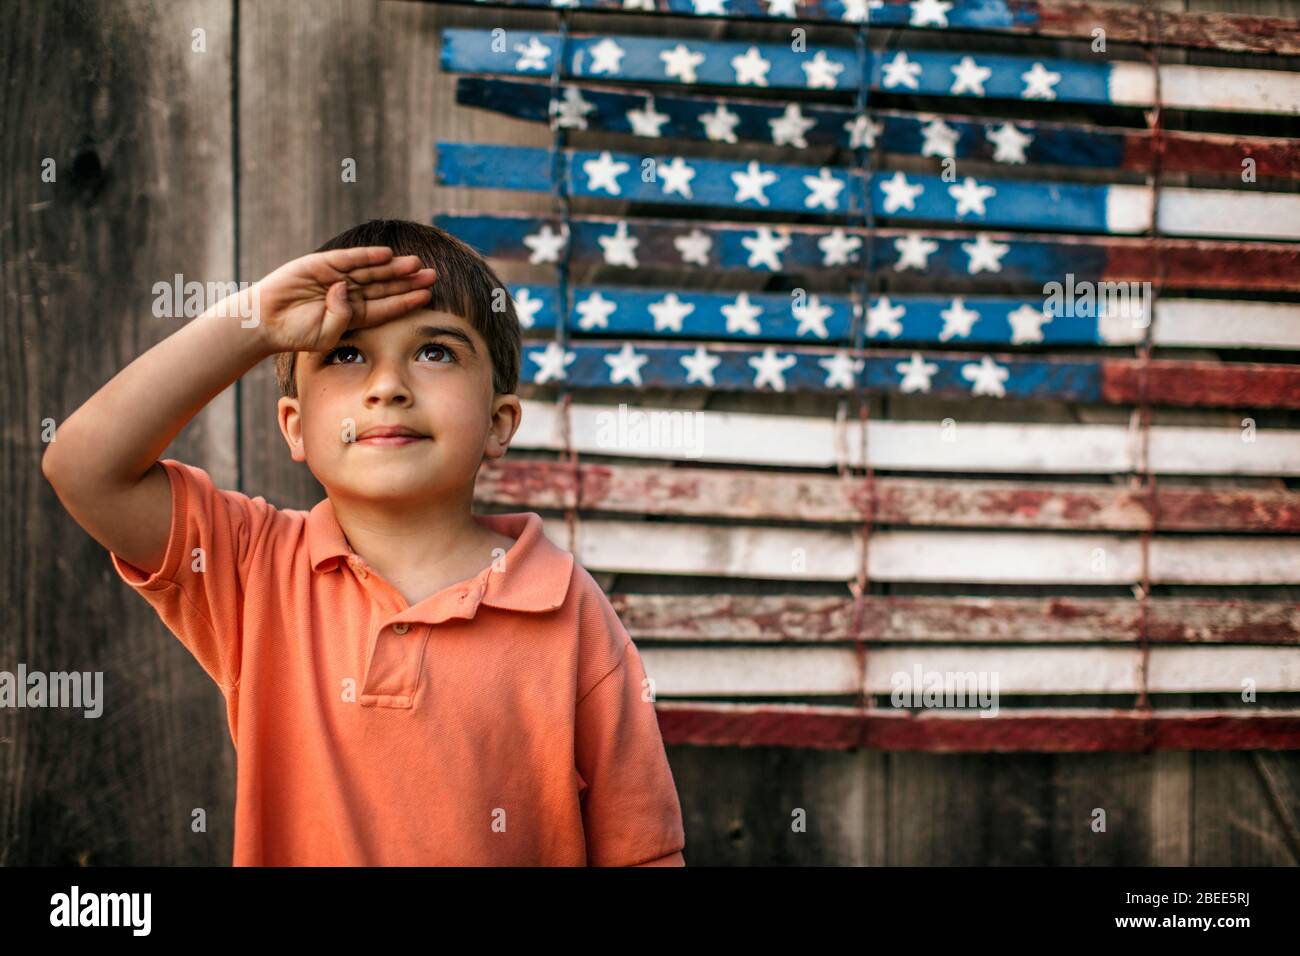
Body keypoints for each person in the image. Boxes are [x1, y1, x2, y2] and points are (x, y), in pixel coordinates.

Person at [41, 218, 686, 867]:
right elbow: (83, 468)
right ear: (295, 428)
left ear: (498, 422)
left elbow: (642, 851)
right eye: (345, 354)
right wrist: (257, 324)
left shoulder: (569, 609)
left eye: (435, 351)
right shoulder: (253, 568)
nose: (388, 387)